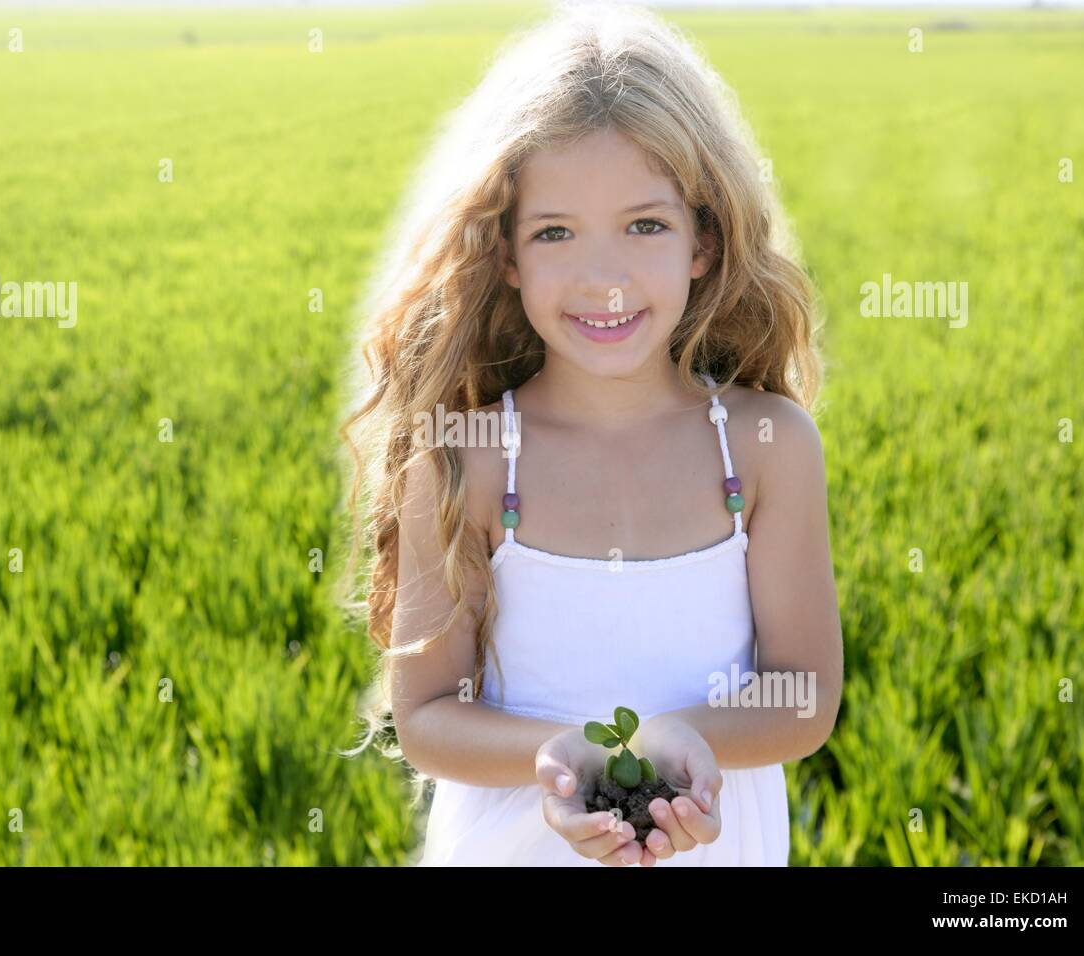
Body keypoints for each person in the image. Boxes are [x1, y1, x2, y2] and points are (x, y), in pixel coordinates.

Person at [338, 1, 842, 866]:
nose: (602, 278)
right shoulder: (467, 457)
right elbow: (423, 714)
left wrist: (675, 745)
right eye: (555, 233)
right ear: (507, 255)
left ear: (703, 242)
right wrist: (561, 758)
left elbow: (805, 696)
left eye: (645, 225)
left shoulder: (764, 447)